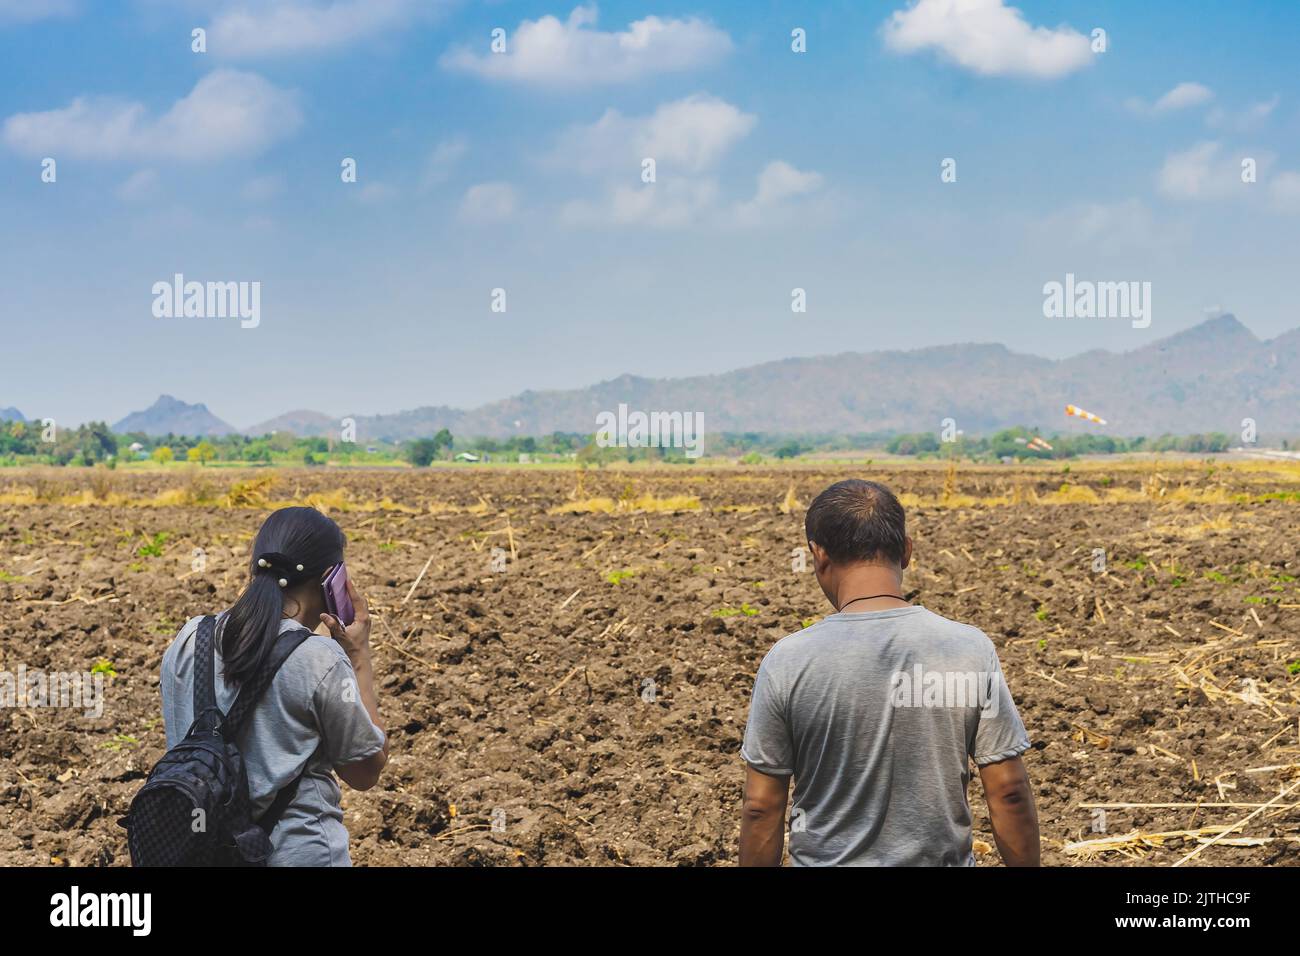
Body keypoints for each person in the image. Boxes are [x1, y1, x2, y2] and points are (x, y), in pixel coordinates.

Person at [739, 479, 1039, 866]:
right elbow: (1009, 791)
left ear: (818, 555)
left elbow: (761, 807)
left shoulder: (788, 661)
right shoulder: (968, 649)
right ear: (907, 552)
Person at [160, 506, 388, 866]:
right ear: (332, 580)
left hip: (197, 853)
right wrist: (358, 656)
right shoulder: (320, 659)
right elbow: (365, 771)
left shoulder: (189, 639)